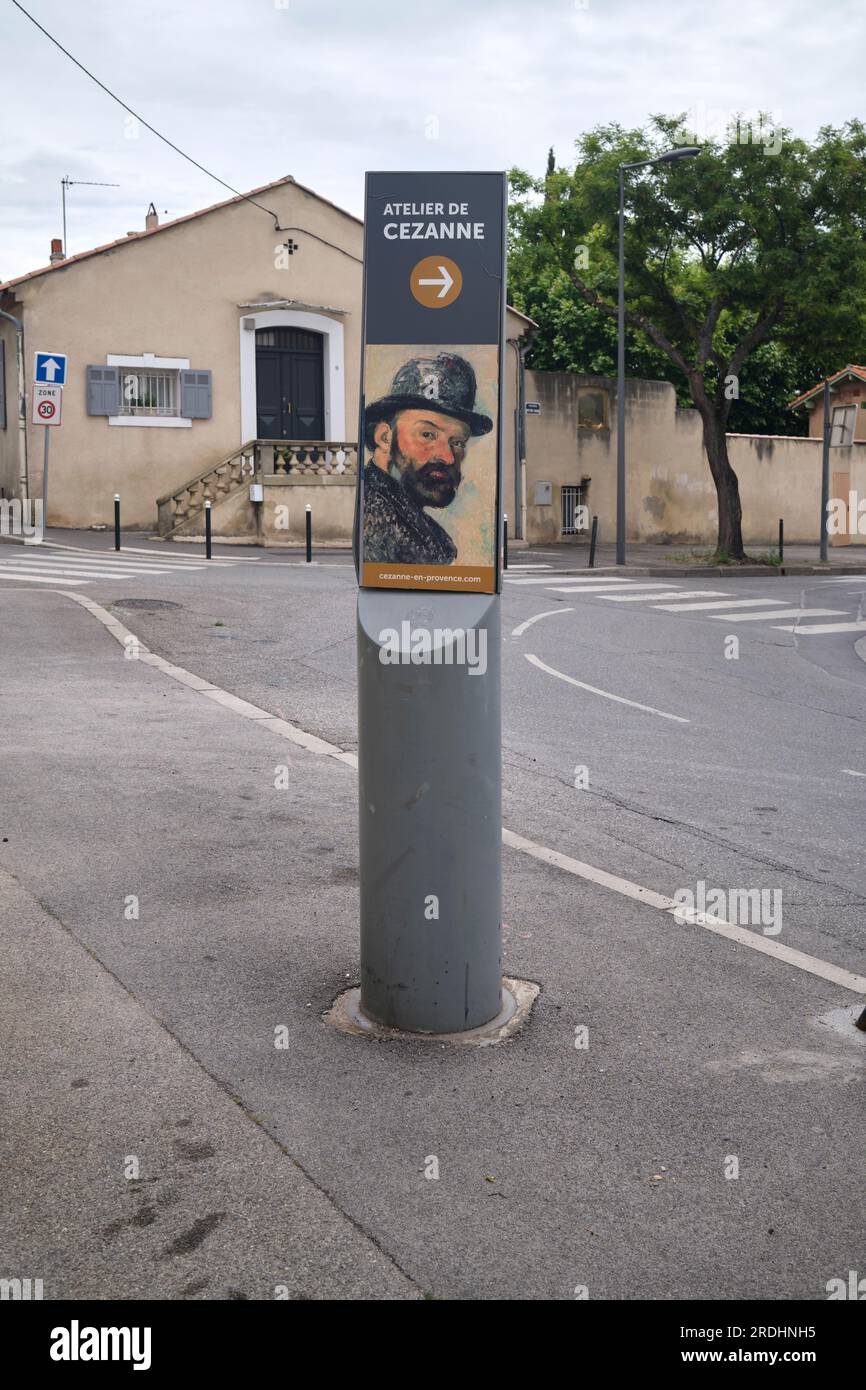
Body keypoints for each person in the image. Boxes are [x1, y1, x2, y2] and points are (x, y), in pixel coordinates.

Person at [362, 352, 492, 564]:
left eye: (457, 442)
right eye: (427, 434)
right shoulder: (381, 523)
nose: (448, 457)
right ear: (384, 437)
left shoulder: (406, 517)